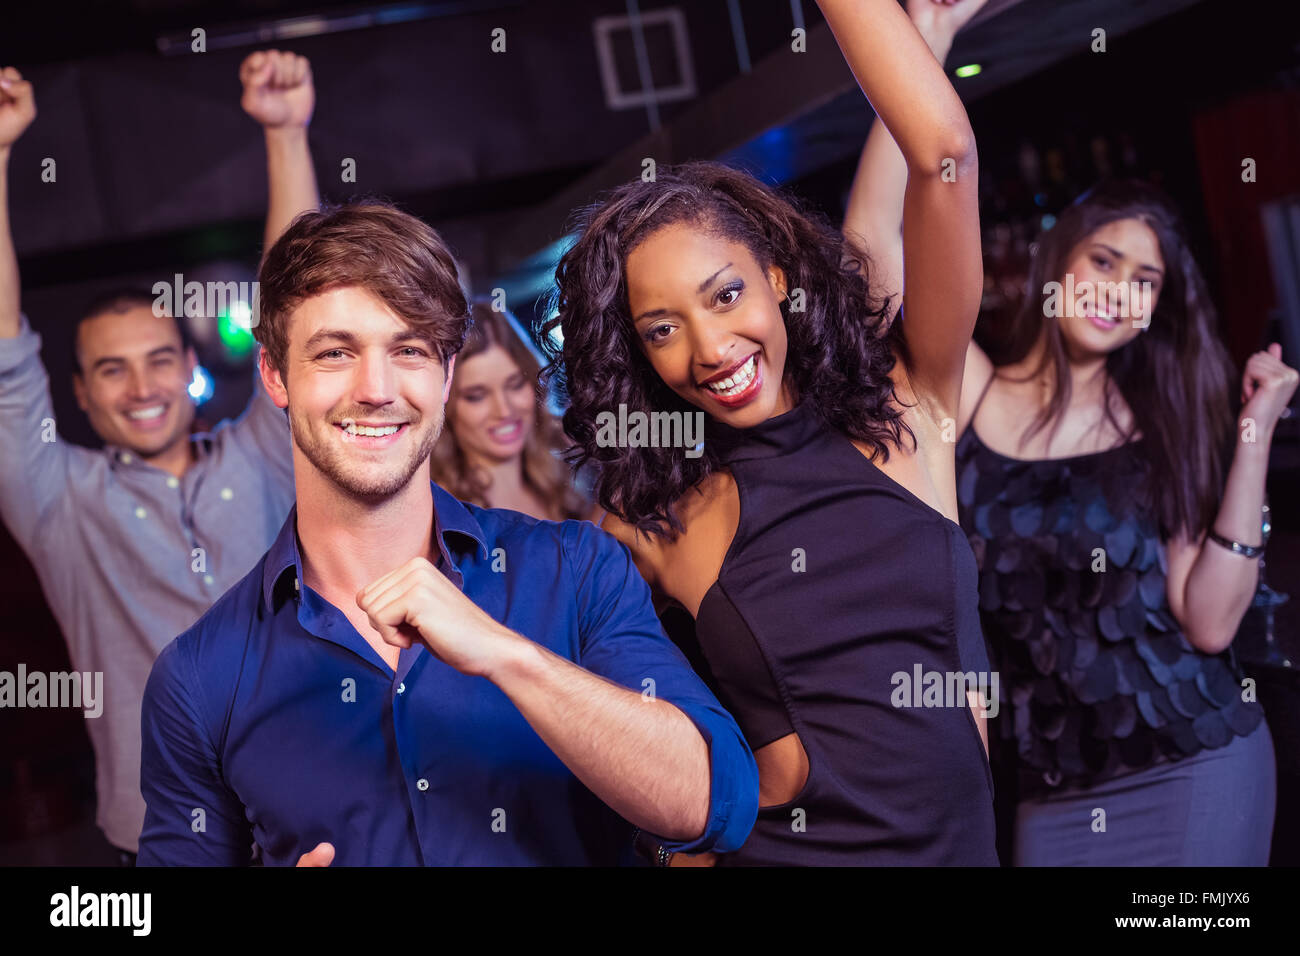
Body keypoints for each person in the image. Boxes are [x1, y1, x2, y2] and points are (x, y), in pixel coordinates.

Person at [136, 202, 758, 866]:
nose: (376, 389)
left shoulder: (574, 569)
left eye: (408, 350)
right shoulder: (200, 675)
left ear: (446, 372)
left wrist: (506, 656)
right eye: (335, 352)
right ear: (274, 374)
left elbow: (714, 804)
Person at [542, 0, 996, 865]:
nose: (712, 349)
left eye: (725, 295)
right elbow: (558, 712)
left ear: (778, 279)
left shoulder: (908, 409)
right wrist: (680, 847)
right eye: (662, 328)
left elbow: (943, 155)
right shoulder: (656, 519)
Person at [0, 50, 318, 863]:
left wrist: (286, 133)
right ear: (80, 392)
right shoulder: (57, 501)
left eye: (158, 358)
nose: (140, 385)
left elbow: (298, 313)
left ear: (191, 369)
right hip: (166, 842)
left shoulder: (263, 456)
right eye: (112, 368)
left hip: (316, 814)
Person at [950, 180, 1293, 865]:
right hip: (1053, 789)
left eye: (1144, 279)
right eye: (1104, 262)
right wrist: (919, 77)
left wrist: (1254, 432)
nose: (1117, 290)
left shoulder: (1165, 417)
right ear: (1056, 262)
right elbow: (877, 246)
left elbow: (1210, 621)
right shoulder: (971, 391)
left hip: (1195, 764)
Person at [429, 301, 591, 521]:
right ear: (446, 408)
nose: (504, 410)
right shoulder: (439, 512)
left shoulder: (571, 481)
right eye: (477, 396)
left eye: (515, 385)